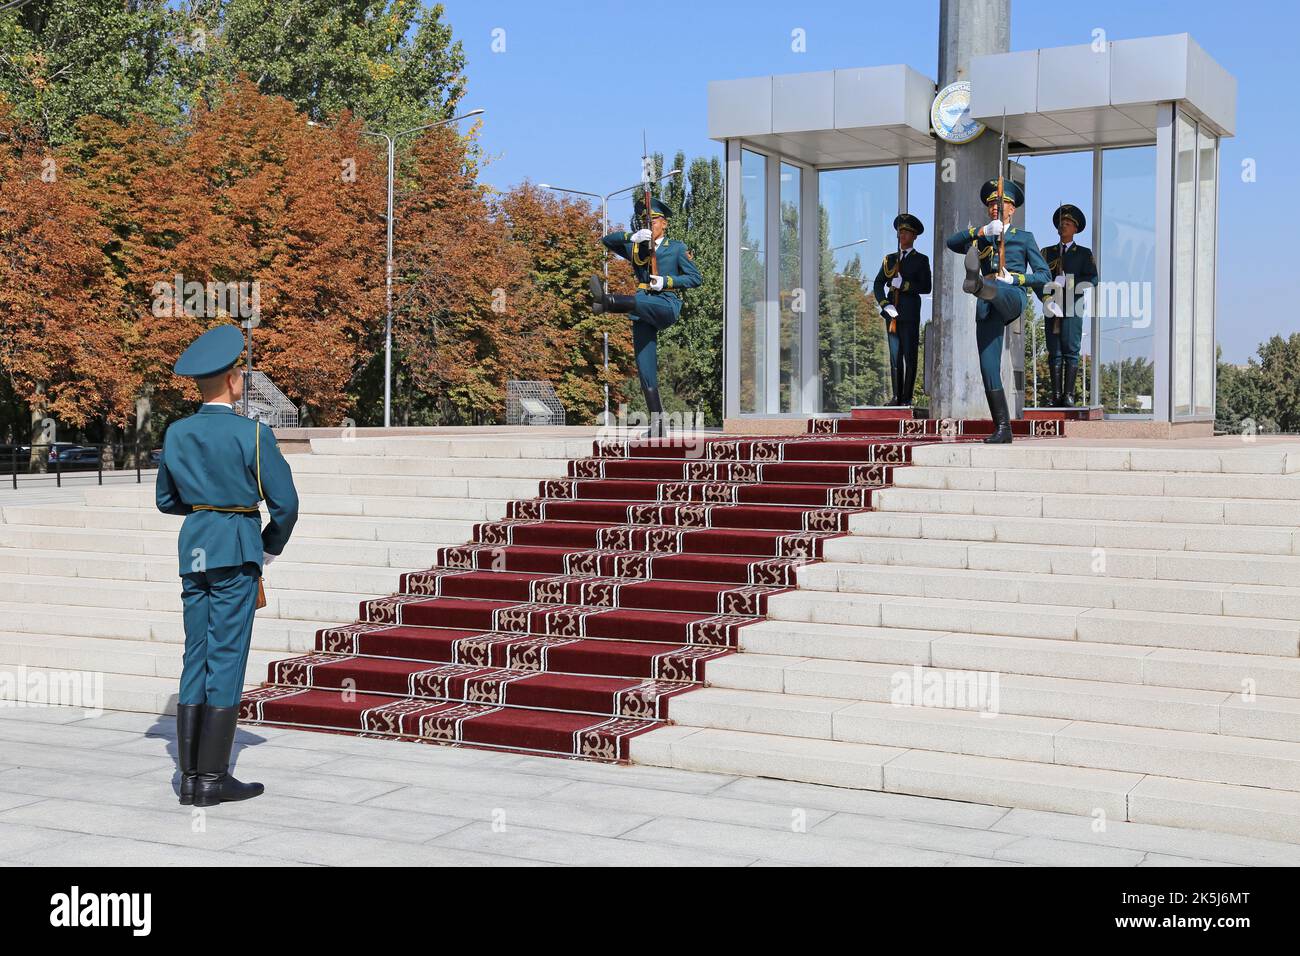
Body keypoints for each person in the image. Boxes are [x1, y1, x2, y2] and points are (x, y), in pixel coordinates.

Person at [155, 324, 299, 807]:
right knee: (228, 655)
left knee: (196, 652)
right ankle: (212, 780)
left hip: (193, 549)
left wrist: (205, 508)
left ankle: (190, 777)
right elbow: (286, 505)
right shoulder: (253, 434)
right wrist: (266, 549)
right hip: (237, 549)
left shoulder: (176, 432)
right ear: (234, 381)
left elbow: (165, 500)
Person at [946, 179, 1051, 443]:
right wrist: (980, 232)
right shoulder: (983, 237)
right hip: (987, 304)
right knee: (988, 365)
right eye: (991, 204)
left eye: (1000, 203)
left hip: (1011, 296)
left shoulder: (1024, 238)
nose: (995, 208)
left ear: (1012, 209)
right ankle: (1003, 428)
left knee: (996, 285)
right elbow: (951, 242)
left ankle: (979, 283)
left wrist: (1016, 280)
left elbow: (1044, 275)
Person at [589, 196, 702, 437]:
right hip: (641, 311)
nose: (649, 224)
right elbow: (606, 240)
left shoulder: (677, 248)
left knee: (638, 300)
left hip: (665, 304)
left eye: (654, 220)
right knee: (645, 368)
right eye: (645, 221)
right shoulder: (638, 247)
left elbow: (696, 278)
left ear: (665, 223)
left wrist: (667, 281)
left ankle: (607, 302)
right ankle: (658, 425)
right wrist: (631, 237)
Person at [1037, 203, 1099, 407]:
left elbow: (1093, 279)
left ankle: (1069, 395)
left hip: (1073, 306)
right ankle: (1055, 395)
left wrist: (1069, 283)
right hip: (1052, 306)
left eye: (1068, 224)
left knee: (1071, 350)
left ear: (1076, 229)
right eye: (1061, 223)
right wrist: (1046, 297)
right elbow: (1039, 279)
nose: (1063, 227)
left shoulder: (1083, 253)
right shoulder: (1047, 253)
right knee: (1054, 351)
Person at [872, 213, 931, 406]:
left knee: (909, 357)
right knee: (894, 357)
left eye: (906, 232)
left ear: (914, 236)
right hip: (892, 314)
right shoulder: (889, 259)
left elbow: (926, 286)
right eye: (900, 232)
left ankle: (907, 397)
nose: (902, 236)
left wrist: (904, 284)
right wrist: (885, 304)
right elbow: (878, 284)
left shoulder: (921, 260)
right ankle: (896, 396)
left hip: (910, 313)